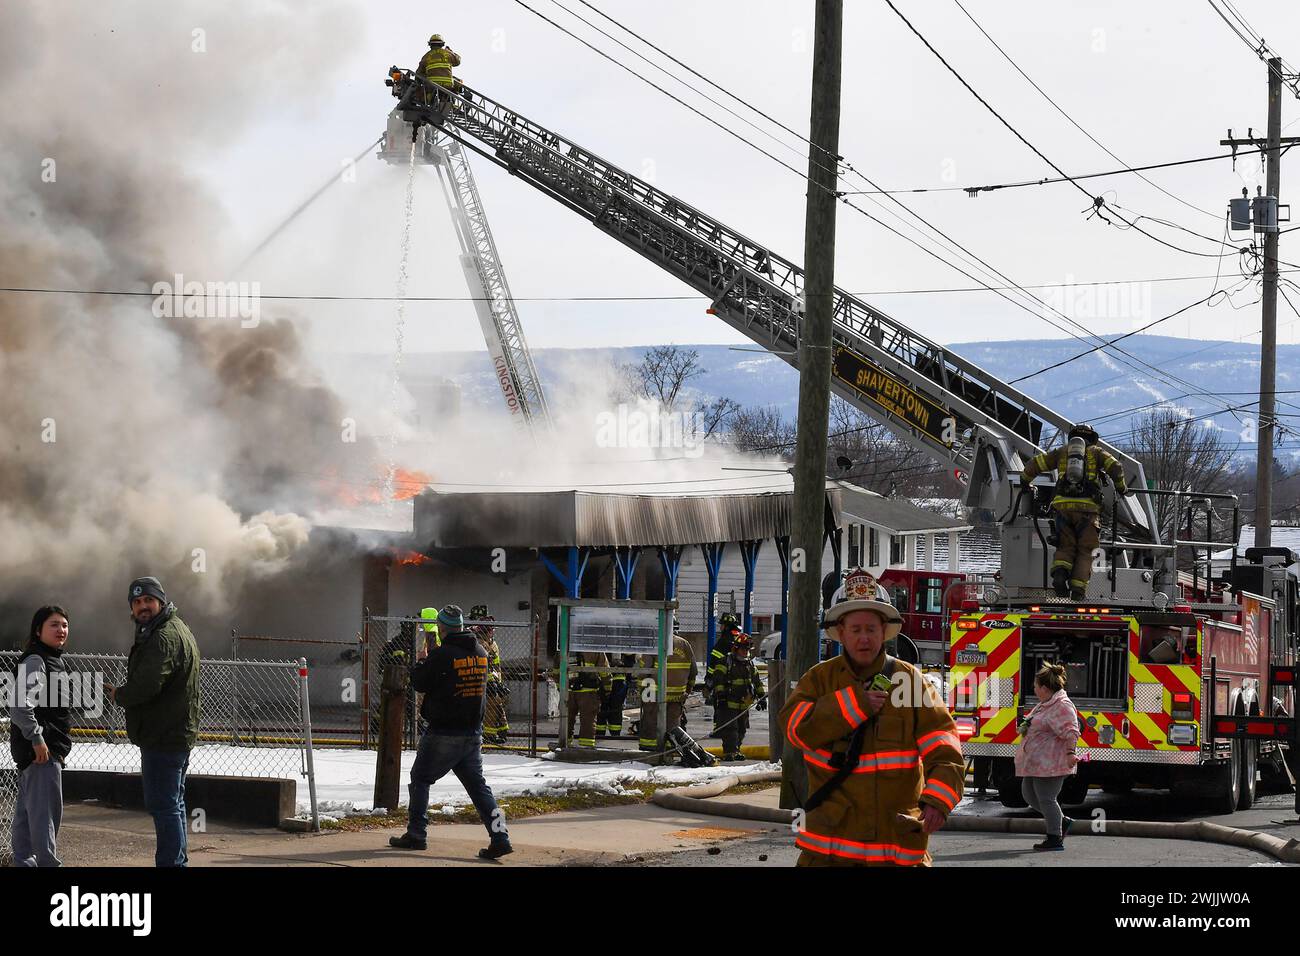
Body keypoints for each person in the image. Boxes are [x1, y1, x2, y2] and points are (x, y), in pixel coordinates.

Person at [779, 568, 964, 866]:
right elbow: (794, 729)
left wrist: (939, 800)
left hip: (895, 845)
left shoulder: (910, 682)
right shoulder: (818, 681)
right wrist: (853, 704)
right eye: (856, 630)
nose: (864, 639)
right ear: (840, 633)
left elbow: (944, 745)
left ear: (884, 631)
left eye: (871, 629)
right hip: (830, 851)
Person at [390, 604, 513, 859]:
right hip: (472, 734)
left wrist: (423, 660)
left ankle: (416, 834)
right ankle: (500, 837)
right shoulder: (480, 651)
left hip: (444, 732)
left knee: (421, 779)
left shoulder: (442, 654)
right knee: (480, 789)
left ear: (443, 628)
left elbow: (420, 681)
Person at [106, 576, 201, 868]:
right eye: (137, 602)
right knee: (174, 803)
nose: (143, 606)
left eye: (148, 600)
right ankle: (177, 862)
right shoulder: (173, 628)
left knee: (164, 806)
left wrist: (120, 694)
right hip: (172, 735)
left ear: (160, 600)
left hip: (163, 737)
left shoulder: (163, 636)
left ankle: (172, 865)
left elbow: (148, 685)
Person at [1019, 423, 1130, 600]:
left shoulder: (1062, 452)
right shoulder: (1097, 453)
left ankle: (1060, 574)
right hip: (1088, 511)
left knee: (1065, 545)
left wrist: (1024, 480)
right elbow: (1116, 467)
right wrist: (1121, 488)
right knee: (1087, 550)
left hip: (1062, 508)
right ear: (1092, 438)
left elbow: (1036, 464)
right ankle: (1078, 590)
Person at [9, 606, 73, 867]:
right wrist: (37, 738)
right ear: (38, 630)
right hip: (42, 754)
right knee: (45, 818)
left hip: (37, 753)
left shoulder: (49, 658)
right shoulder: (38, 660)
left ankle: (23, 862)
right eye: (54, 625)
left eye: (65, 625)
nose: (61, 630)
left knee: (27, 818)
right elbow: (19, 705)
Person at [1015, 662, 1081, 851]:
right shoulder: (1045, 704)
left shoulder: (1062, 705)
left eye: (1035, 686)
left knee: (1046, 798)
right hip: (1037, 763)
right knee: (1028, 794)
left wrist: (1070, 754)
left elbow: (1071, 732)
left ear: (1044, 688)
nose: (1034, 690)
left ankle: (1054, 837)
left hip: (1051, 763)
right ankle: (1062, 821)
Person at [636, 625, 697, 756]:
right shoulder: (685, 644)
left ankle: (649, 752)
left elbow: (644, 671)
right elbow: (693, 672)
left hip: (654, 694)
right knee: (673, 725)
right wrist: (687, 690)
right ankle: (670, 751)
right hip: (677, 695)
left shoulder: (654, 643)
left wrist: (642, 690)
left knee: (650, 722)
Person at [707, 631, 766, 761]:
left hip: (744, 704)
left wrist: (762, 696)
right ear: (736, 648)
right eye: (743, 649)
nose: (746, 652)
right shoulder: (725, 662)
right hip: (728, 703)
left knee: (741, 729)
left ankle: (736, 750)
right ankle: (730, 751)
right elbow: (718, 680)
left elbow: (757, 681)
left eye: (747, 649)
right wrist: (720, 696)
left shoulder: (749, 664)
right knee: (730, 729)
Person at [469, 605, 510, 746]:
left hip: (492, 681)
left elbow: (495, 665)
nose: (492, 633)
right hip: (483, 680)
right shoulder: (479, 642)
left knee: (496, 705)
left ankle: (497, 733)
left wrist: (498, 681)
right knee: (492, 706)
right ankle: (492, 733)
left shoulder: (491, 644)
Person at [566, 650, 610, 749]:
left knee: (566, 720)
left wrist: (560, 688)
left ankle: (564, 745)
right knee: (588, 722)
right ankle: (586, 749)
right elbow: (604, 671)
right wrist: (607, 689)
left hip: (568, 691)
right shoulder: (594, 648)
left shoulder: (563, 646)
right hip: (589, 692)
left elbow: (556, 670)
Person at [417, 33, 462, 106]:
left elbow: (419, 73)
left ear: (430, 45)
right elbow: (458, 61)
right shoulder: (447, 53)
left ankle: (429, 98)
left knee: (422, 90)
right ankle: (450, 102)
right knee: (456, 83)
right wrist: (451, 51)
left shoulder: (426, 56)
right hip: (448, 85)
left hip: (432, 86)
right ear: (442, 44)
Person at [597, 653, 635, 739]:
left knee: (612, 707)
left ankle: (612, 734)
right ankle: (605, 733)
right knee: (604, 707)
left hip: (617, 678)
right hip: (607, 677)